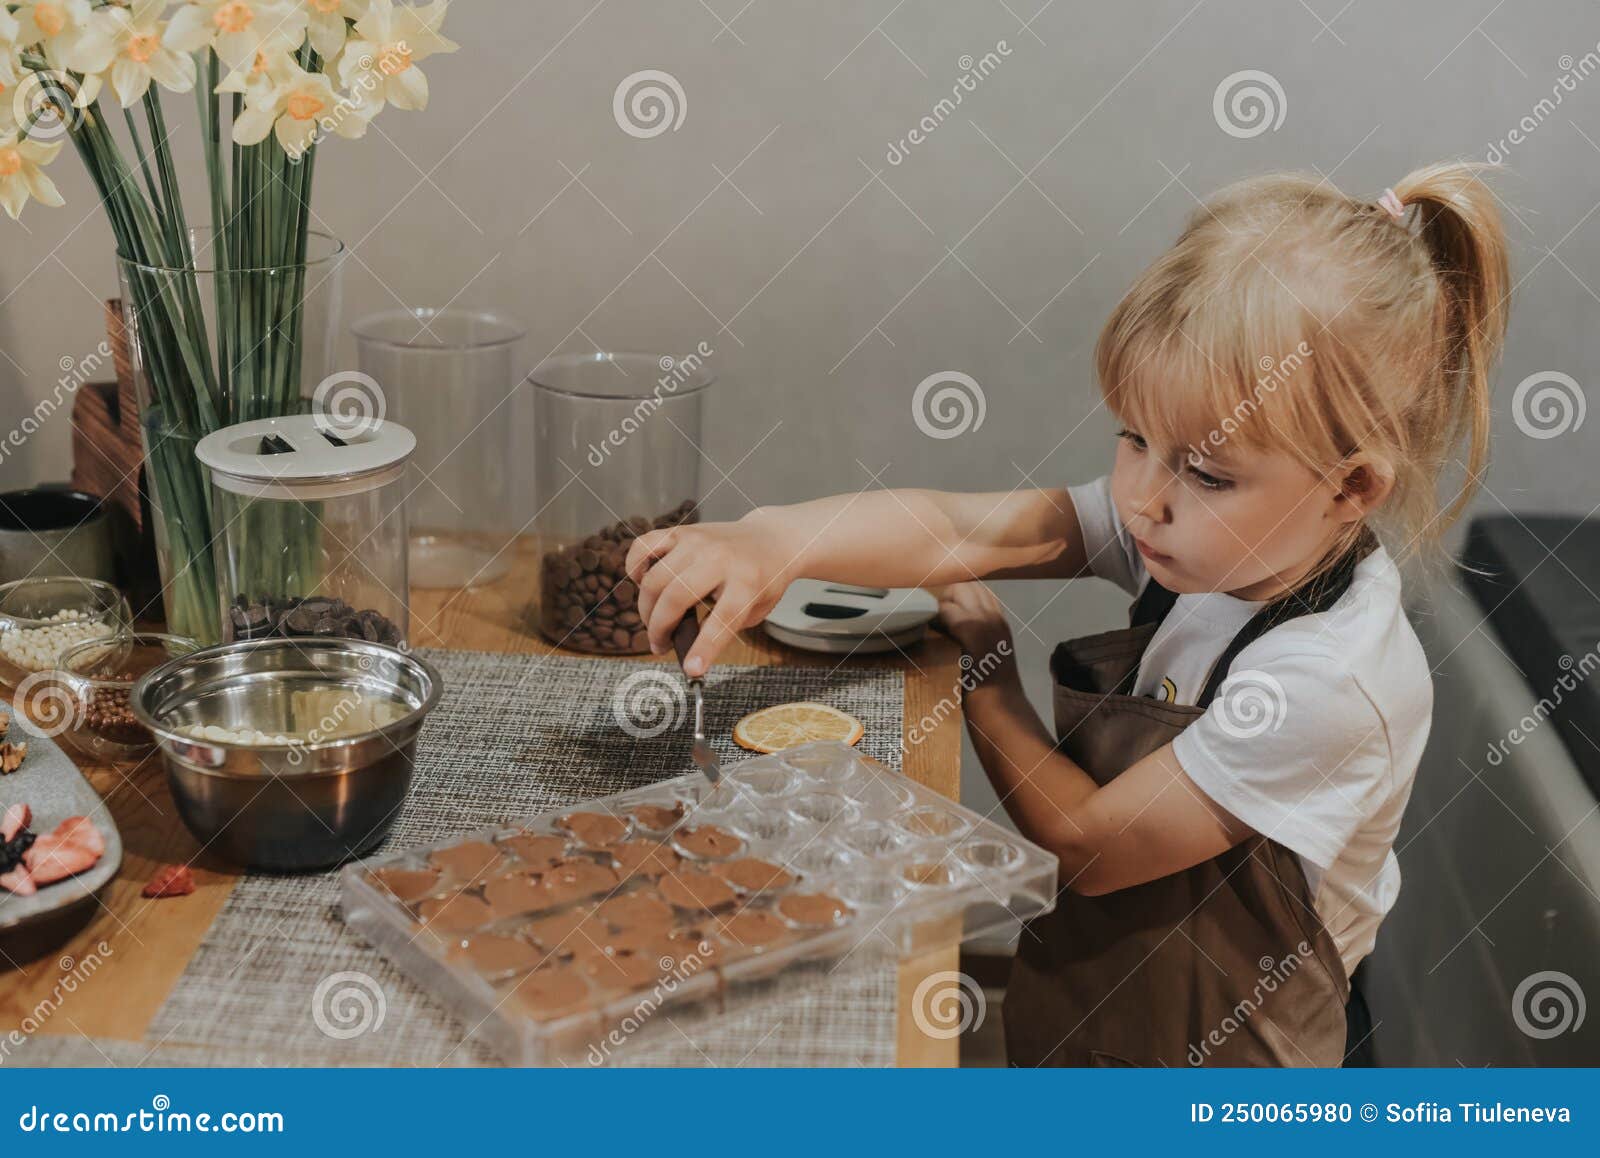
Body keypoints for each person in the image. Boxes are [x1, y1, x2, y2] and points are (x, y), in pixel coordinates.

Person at [622, 162, 1510, 1067]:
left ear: (1351, 485)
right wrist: (777, 541)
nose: (1143, 500)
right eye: (1133, 438)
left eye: (1206, 473)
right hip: (1100, 1011)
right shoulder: (1208, 540)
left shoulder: (1331, 680)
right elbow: (966, 529)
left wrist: (987, 675)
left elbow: (1090, 845)